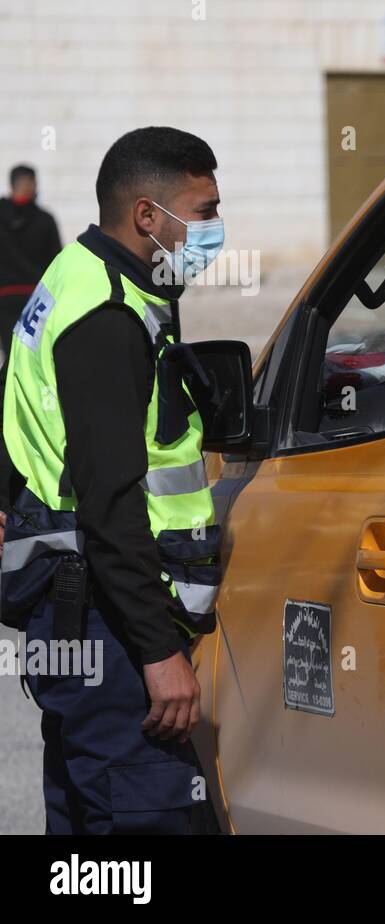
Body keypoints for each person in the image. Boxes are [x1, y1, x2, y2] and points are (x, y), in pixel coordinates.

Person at [1, 127, 225, 834]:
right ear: (148, 217)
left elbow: (23, 402)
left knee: (85, 822)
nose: (215, 229)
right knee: (142, 822)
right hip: (109, 625)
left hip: (74, 615)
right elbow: (112, 503)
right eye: (205, 211)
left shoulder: (77, 272)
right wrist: (159, 653)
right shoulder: (106, 315)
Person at [0, 165, 62, 510]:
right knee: (23, 361)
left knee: (8, 360)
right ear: (33, 184)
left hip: (3, 297)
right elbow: (55, 263)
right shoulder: (45, 220)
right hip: (32, 300)